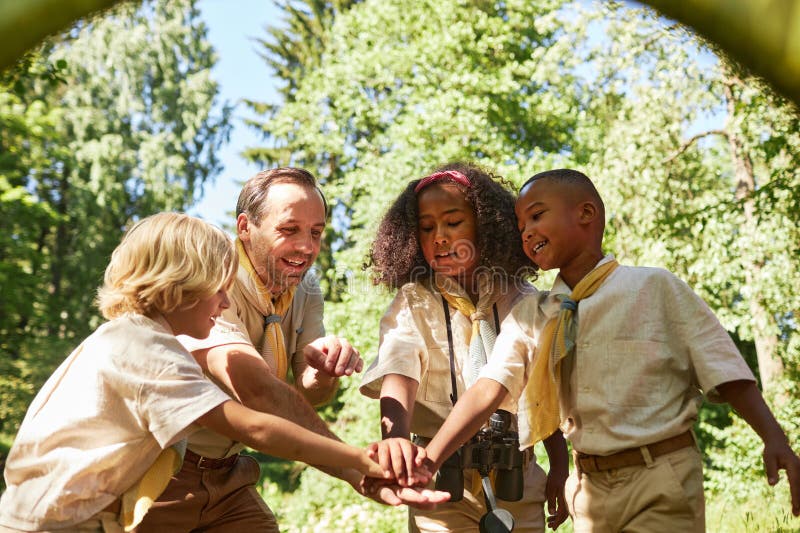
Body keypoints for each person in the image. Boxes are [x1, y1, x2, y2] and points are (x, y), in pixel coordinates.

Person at [422, 168, 800, 532]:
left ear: (586, 213)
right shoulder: (535, 313)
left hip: (660, 475)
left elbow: (724, 370)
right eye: (520, 227)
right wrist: (429, 459)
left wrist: (774, 438)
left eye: (537, 216)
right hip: (589, 490)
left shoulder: (654, 287)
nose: (527, 232)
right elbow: (489, 387)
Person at [0, 213, 389, 533]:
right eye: (218, 289)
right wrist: (361, 458)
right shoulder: (145, 349)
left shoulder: (135, 338)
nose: (224, 302)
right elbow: (254, 427)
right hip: (54, 522)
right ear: (180, 286)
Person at [137, 168, 443, 532]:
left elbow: (308, 395)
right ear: (245, 227)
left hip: (228, 476)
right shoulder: (209, 282)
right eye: (289, 229)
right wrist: (358, 467)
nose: (307, 247)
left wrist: (324, 370)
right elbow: (257, 393)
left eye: (316, 232)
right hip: (159, 474)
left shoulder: (306, 288)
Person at [360, 162, 569, 532]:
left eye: (453, 223)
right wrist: (395, 443)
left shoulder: (523, 299)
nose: (439, 236)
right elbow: (399, 369)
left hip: (516, 478)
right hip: (440, 479)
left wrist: (559, 465)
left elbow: (538, 390)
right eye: (427, 228)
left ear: (486, 227)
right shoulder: (414, 300)